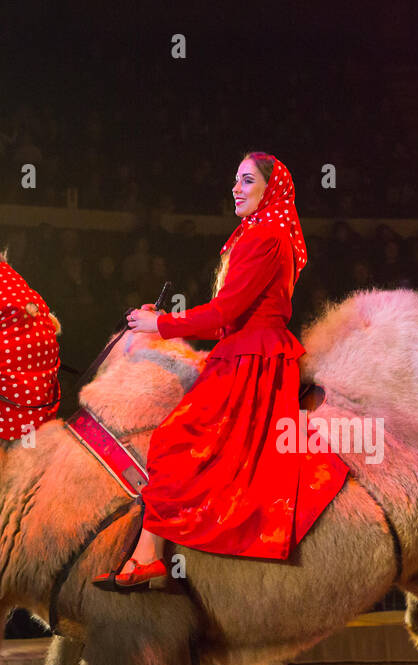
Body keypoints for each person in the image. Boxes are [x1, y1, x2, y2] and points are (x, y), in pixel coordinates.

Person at [96, 152, 349, 588]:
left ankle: (152, 554)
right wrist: (163, 325)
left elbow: (224, 312)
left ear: (271, 190)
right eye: (235, 180)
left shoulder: (265, 236)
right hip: (248, 348)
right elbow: (231, 320)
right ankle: (145, 553)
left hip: (251, 360)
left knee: (175, 439)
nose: (236, 188)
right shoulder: (263, 233)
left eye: (247, 181)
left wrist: (161, 325)